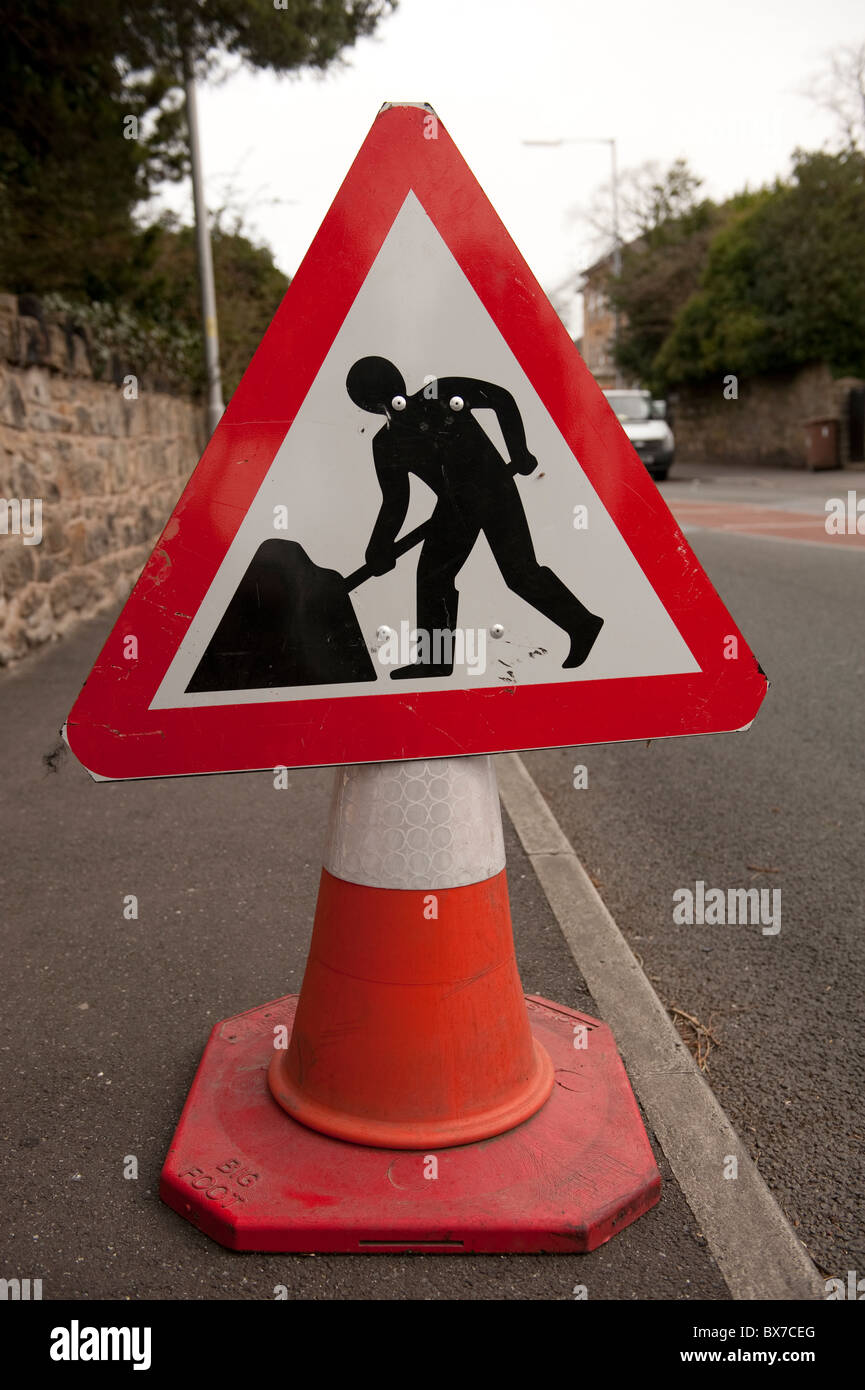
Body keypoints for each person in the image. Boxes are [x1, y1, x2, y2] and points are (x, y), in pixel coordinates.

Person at [346, 356, 603, 678]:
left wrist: (518, 451)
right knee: (437, 578)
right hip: (455, 507)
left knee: (516, 573)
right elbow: (396, 500)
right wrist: (379, 547)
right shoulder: (388, 441)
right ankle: (435, 662)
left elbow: (500, 399)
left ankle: (583, 624)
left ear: (363, 404)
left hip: (494, 488)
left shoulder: (438, 396)